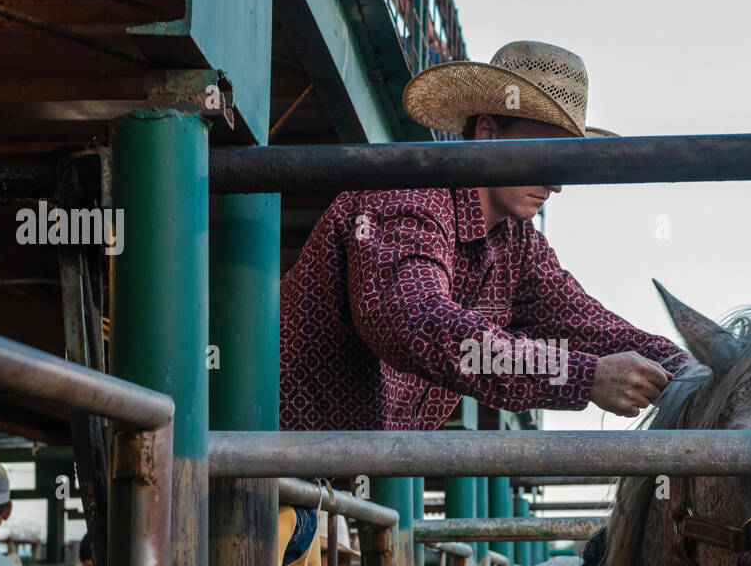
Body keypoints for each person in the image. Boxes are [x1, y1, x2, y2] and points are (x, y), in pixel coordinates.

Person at [279, 40, 688, 434]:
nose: (557, 184)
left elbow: (590, 326)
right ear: (488, 132)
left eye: (568, 163)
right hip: (260, 457)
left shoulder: (518, 243)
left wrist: (692, 370)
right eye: (549, 155)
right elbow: (413, 321)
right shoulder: (410, 192)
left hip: (333, 478)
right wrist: (583, 376)